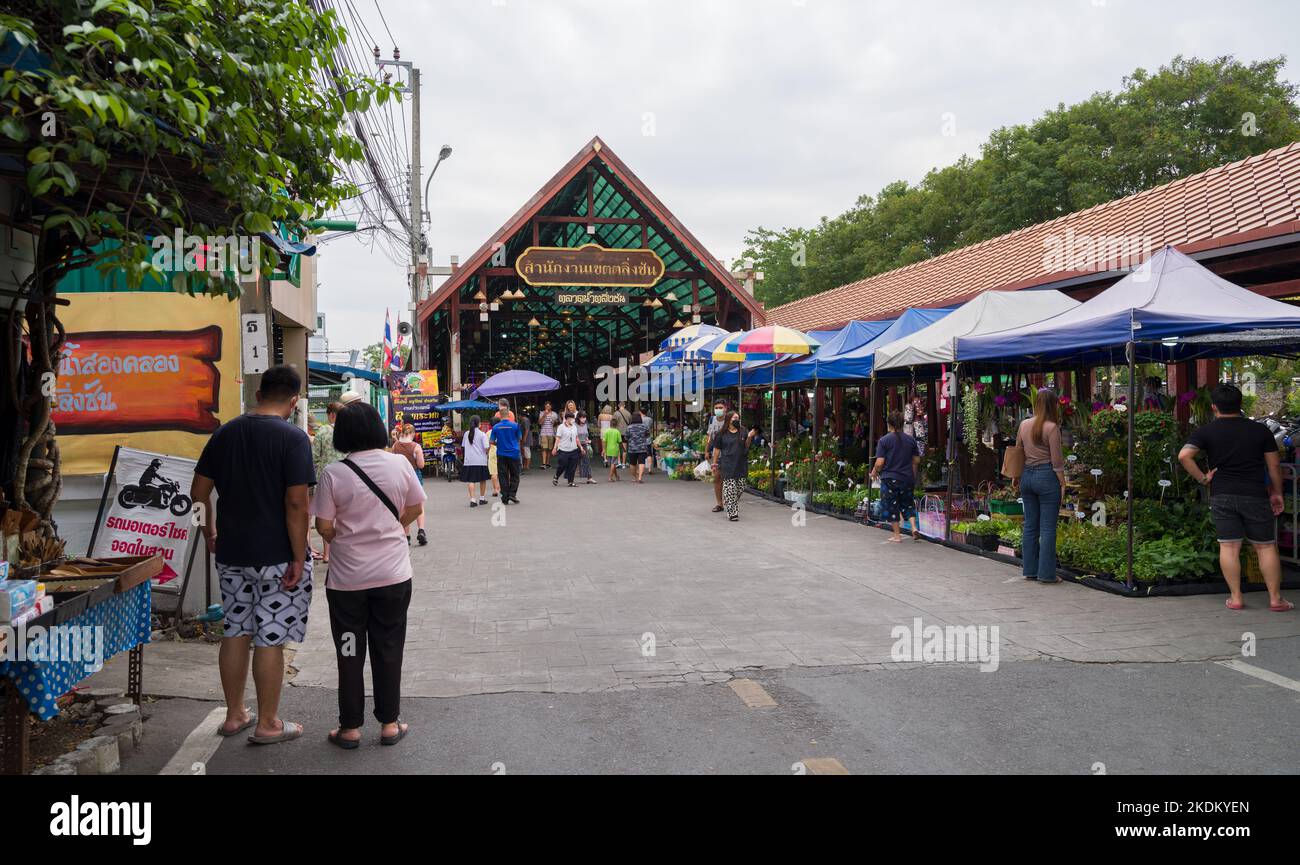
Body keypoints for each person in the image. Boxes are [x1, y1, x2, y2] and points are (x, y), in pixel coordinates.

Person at [190, 364, 314, 745]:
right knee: (270, 636)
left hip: (231, 552)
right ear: (293, 402)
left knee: (236, 630)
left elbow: (197, 493)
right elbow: (296, 504)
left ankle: (234, 715)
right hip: (277, 555)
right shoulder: (293, 439)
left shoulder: (224, 433)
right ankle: (268, 723)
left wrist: (209, 530)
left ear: (258, 395)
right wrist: (298, 555)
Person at [311, 401, 426, 749]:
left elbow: (323, 526)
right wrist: (391, 528)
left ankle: (350, 729)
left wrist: (344, 539)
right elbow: (417, 506)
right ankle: (390, 724)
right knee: (388, 647)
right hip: (392, 576)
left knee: (349, 651)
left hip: (348, 583)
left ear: (343, 433)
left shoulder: (334, 473)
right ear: (377, 428)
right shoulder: (398, 464)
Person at [1179, 383, 1292, 612]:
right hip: (1255, 494)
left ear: (1213, 407)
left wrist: (1203, 478)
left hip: (1222, 494)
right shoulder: (1260, 431)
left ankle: (1236, 597)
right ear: (1240, 405)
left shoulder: (1206, 431)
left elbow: (1184, 456)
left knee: (1229, 547)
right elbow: (1274, 465)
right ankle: (1275, 599)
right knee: (1266, 547)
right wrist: (1277, 493)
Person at [1015, 388, 1065, 581]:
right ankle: (1046, 574)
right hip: (1046, 477)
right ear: (1053, 405)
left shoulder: (1024, 424)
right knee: (1047, 529)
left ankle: (1029, 570)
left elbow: (1018, 451)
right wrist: (1062, 483)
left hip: (1026, 476)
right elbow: (1057, 461)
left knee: (1030, 526)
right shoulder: (1052, 427)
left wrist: (1016, 476)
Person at [870, 410, 922, 544]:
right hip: (907, 478)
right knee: (907, 504)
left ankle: (897, 535)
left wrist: (874, 471)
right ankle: (914, 527)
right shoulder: (911, 440)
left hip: (890, 479)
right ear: (902, 424)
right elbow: (916, 460)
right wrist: (913, 476)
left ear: (889, 424)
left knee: (891, 506)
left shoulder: (884, 440)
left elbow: (880, 462)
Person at [311, 401, 344, 563]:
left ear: (330, 414)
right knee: (343, 515)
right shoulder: (348, 431)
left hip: (325, 479)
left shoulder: (323, 431)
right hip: (346, 478)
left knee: (326, 516)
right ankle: (342, 550)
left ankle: (327, 554)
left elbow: (314, 457)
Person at [713, 410, 756, 521]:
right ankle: (733, 513)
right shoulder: (721, 433)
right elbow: (717, 449)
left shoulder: (743, 431)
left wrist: (750, 437)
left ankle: (729, 500)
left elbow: (746, 445)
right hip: (727, 464)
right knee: (731, 487)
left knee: (740, 487)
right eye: (734, 418)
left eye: (738, 418)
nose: (736, 420)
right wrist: (714, 463)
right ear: (729, 419)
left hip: (741, 464)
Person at [391, 424, 427, 546]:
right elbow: (421, 465)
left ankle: (406, 536)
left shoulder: (395, 446)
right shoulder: (416, 447)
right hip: (415, 476)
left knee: (404, 507)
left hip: (400, 477)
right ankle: (421, 530)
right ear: (411, 433)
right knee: (419, 505)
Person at [489, 400, 522, 504]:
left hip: (501, 454)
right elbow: (519, 438)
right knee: (515, 474)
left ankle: (505, 496)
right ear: (509, 414)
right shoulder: (516, 425)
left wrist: (498, 444)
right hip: (514, 453)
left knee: (503, 475)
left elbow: (491, 441)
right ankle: (512, 494)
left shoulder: (495, 427)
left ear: (499, 416)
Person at [461, 415, 491, 506]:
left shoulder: (466, 434)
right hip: (481, 461)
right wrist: (489, 450)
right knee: (482, 480)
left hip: (469, 461)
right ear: (479, 424)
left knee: (471, 480)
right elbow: (486, 448)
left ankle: (473, 500)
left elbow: (463, 446)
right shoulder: (482, 434)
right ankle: (482, 498)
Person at [706, 400, 728, 513]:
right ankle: (719, 503)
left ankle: (730, 501)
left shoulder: (729, 420)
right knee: (717, 478)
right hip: (716, 454)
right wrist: (706, 450)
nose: (718, 410)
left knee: (729, 479)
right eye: (716, 407)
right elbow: (709, 436)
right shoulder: (712, 419)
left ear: (725, 409)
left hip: (729, 454)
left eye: (720, 407)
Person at [551, 411, 581, 487]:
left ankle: (570, 482)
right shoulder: (561, 427)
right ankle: (556, 476)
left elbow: (576, 438)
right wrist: (555, 448)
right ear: (567, 419)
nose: (573, 420)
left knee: (572, 466)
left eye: (573, 418)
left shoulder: (574, 426)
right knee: (562, 465)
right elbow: (558, 438)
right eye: (572, 418)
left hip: (573, 449)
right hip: (563, 450)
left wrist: (580, 447)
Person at [624, 410, 650, 483]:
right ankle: (640, 477)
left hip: (632, 448)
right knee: (641, 462)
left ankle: (635, 477)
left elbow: (626, 437)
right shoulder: (644, 426)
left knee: (632, 463)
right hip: (642, 447)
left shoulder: (629, 427)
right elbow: (648, 435)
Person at [575, 410, 597, 484]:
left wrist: (587, 440)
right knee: (573, 462)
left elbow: (586, 435)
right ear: (578, 418)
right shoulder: (574, 425)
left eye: (585, 417)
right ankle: (568, 477)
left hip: (584, 444)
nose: (584, 419)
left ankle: (589, 477)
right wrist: (580, 447)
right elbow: (575, 437)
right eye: (582, 417)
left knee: (586, 461)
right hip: (575, 445)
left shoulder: (585, 425)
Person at [538, 402, 558, 469]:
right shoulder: (541, 413)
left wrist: (554, 422)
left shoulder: (554, 414)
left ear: (551, 407)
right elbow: (540, 422)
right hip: (544, 433)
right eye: (546, 406)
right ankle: (543, 463)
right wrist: (544, 415)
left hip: (551, 433)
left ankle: (547, 463)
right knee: (544, 448)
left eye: (548, 406)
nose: (547, 407)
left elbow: (556, 424)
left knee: (549, 449)